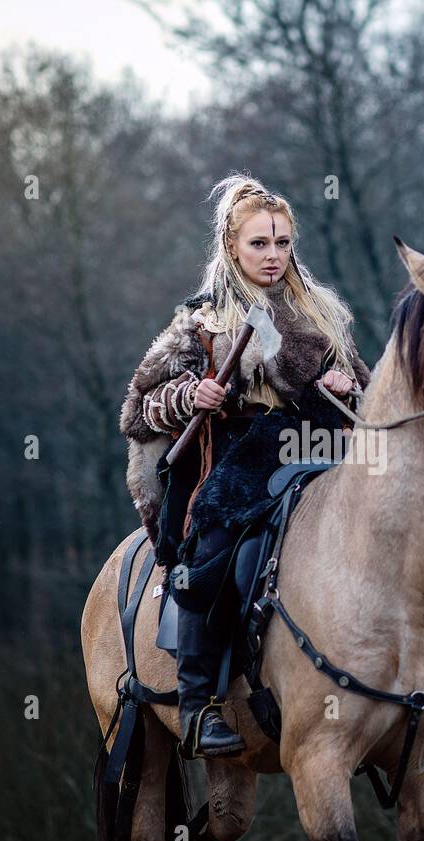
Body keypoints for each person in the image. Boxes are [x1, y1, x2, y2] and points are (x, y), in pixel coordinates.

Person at [118, 174, 373, 760]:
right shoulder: (201, 322)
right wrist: (191, 398)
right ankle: (198, 705)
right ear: (232, 246)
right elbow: (137, 410)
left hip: (316, 452)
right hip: (234, 458)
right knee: (211, 553)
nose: (274, 255)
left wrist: (345, 385)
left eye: (283, 243)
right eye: (259, 243)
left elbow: (363, 395)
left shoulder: (323, 318)